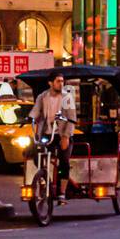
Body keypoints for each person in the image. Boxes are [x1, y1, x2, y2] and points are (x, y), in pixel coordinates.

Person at [29, 69, 77, 201]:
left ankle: (62, 192)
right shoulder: (42, 97)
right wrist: (30, 118)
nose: (61, 84)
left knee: (64, 162)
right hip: (47, 133)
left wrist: (66, 137)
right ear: (50, 83)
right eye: (58, 81)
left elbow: (72, 119)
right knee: (36, 155)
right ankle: (43, 178)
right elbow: (35, 111)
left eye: (62, 81)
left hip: (61, 135)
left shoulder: (67, 98)